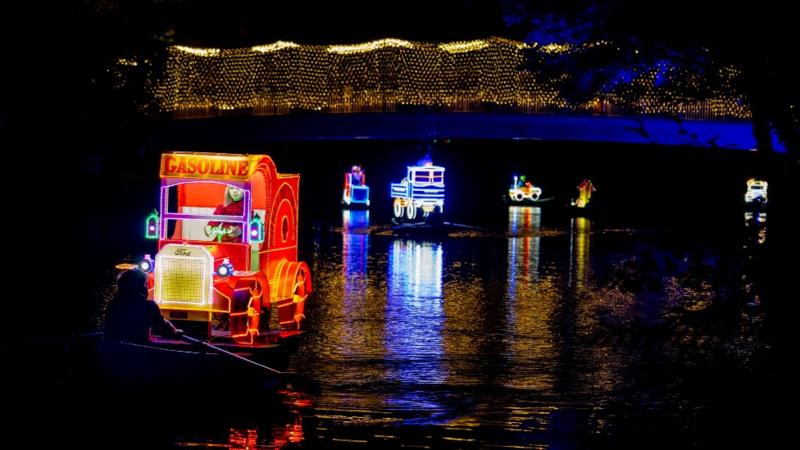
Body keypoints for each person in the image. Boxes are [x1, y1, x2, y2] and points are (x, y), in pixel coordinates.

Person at [105, 269, 182, 343]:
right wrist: (175, 331)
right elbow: (164, 325)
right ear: (140, 287)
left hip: (115, 350)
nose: (146, 287)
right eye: (145, 284)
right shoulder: (149, 306)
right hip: (140, 351)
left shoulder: (112, 304)